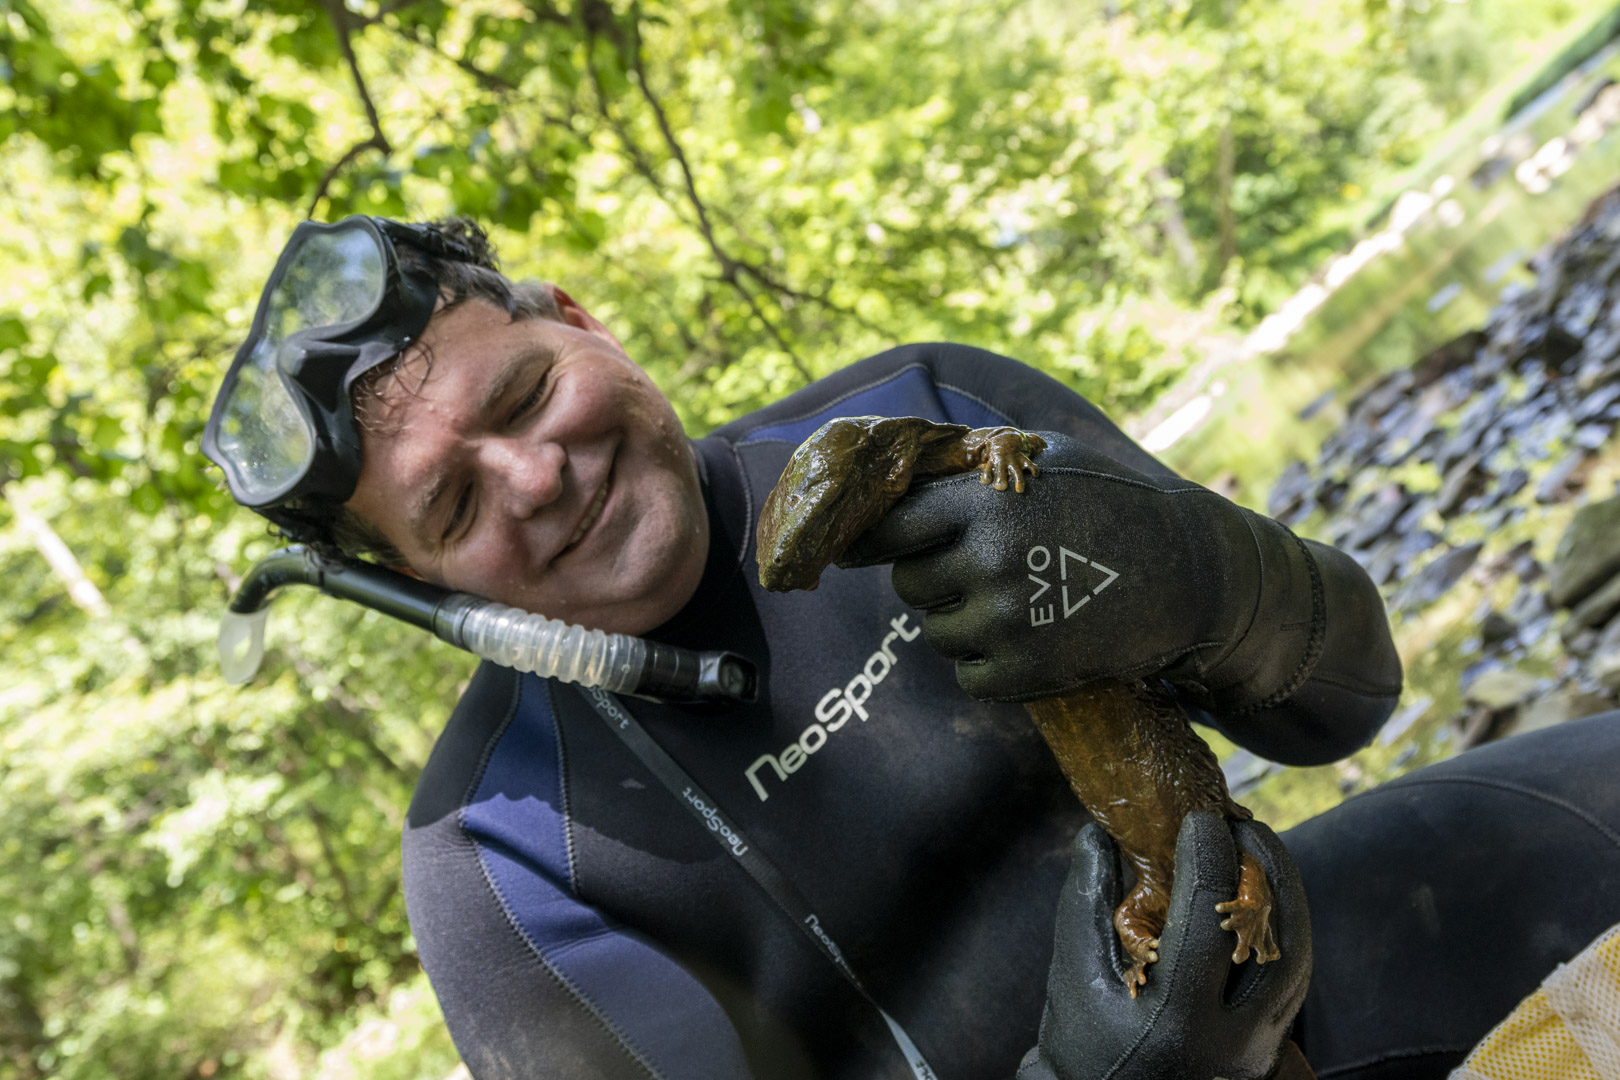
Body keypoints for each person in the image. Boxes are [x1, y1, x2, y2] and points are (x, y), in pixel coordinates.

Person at [201, 215, 1620, 1080]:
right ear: (423, 582)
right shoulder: (499, 861)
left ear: (581, 321)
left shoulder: (932, 413)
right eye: (454, 503)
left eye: (524, 395)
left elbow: (1352, 697)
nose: (537, 477)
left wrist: (1200, 578)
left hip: (1326, 975)